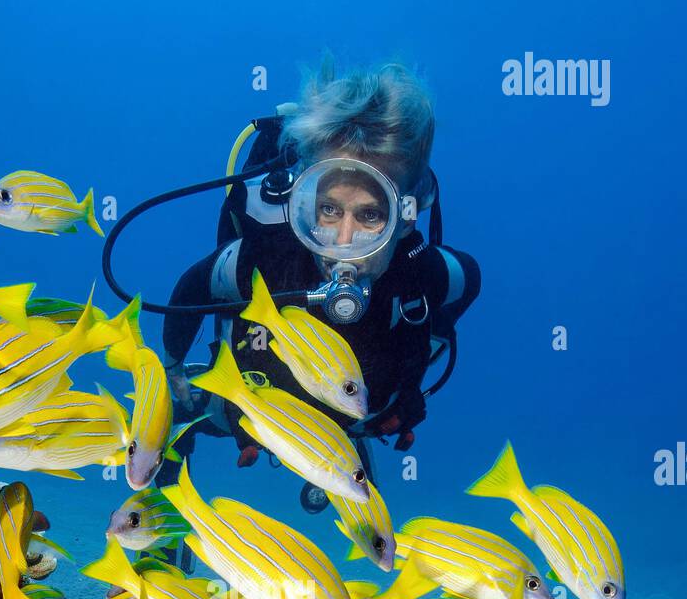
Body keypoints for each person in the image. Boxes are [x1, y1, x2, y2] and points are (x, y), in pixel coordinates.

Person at [160, 61, 481, 480]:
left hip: (357, 415)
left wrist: (414, 365)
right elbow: (191, 287)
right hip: (243, 407)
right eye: (328, 209)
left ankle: (344, 449)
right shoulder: (261, 259)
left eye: (370, 215)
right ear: (304, 201)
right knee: (168, 420)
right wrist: (174, 371)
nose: (343, 242)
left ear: (406, 218)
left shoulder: (424, 273)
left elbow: (469, 280)